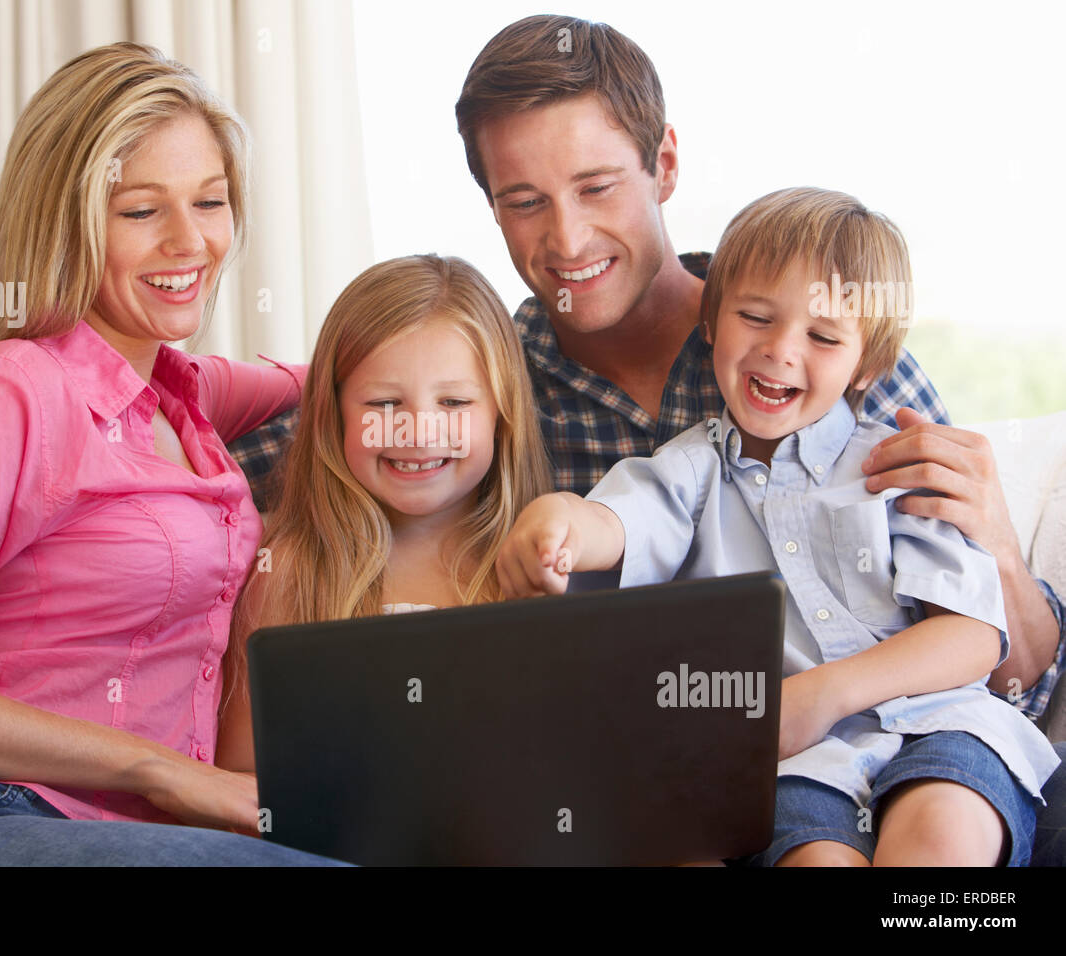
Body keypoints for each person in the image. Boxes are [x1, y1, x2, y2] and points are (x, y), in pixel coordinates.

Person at [227, 15, 1066, 861]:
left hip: (929, 742)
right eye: (525, 202)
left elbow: (1013, 677)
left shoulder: (828, 350)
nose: (567, 240)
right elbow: (291, 452)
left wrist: (994, 547)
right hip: (733, 789)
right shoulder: (483, 389)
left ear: (663, 165)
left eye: (596, 187)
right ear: (493, 208)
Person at [0, 42, 345, 865]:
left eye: (211, 201)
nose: (190, 242)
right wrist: (155, 768)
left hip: (141, 837)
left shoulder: (185, 393)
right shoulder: (9, 395)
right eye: (140, 211)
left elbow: (357, 371)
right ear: (67, 219)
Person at [496, 187, 1060, 865]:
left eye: (823, 336)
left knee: (943, 834)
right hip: (792, 760)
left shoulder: (895, 467)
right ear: (711, 324)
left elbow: (972, 635)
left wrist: (826, 693)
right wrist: (557, 520)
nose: (781, 350)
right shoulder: (691, 471)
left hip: (940, 725)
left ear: (869, 364)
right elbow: (616, 521)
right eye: (756, 317)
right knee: (815, 861)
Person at [216, 254, 551, 771]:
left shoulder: (535, 566)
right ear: (333, 414)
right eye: (384, 405)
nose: (417, 432)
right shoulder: (288, 573)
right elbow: (242, 783)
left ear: (502, 416)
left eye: (455, 404)